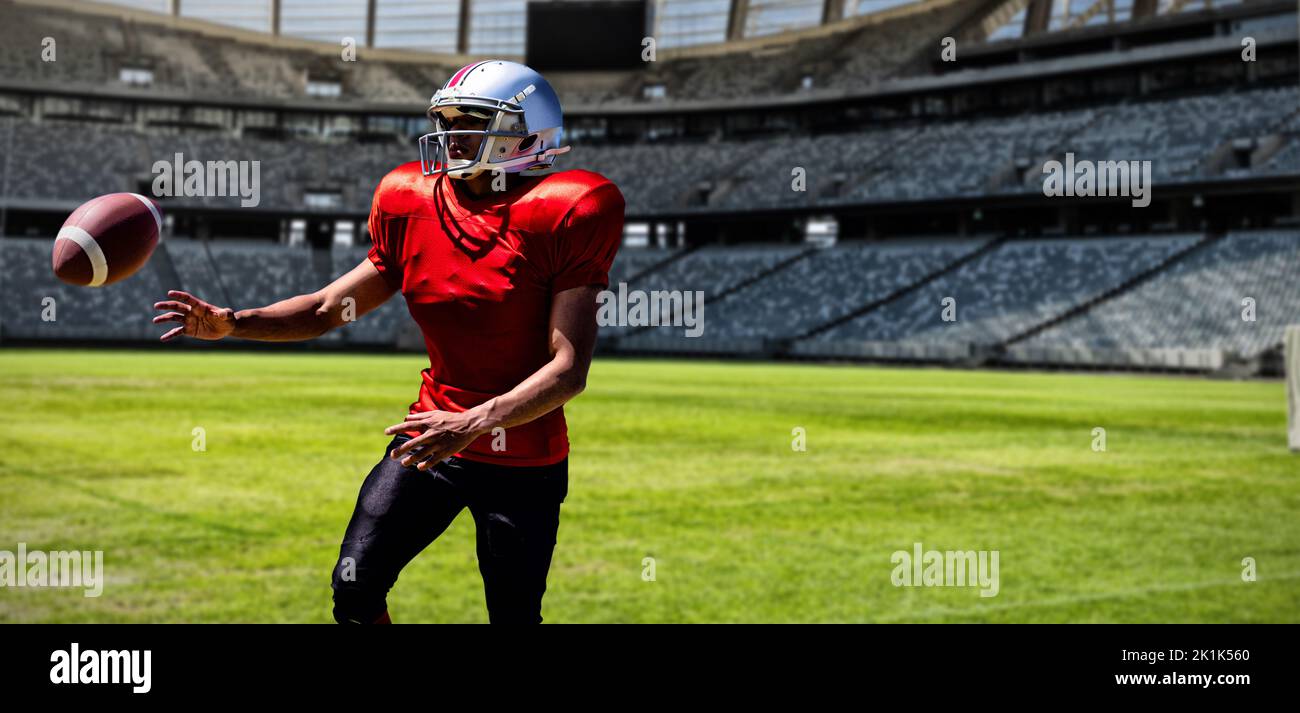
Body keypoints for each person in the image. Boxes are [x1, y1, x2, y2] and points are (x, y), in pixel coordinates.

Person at [151, 60, 626, 623]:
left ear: (528, 132)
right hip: (430, 438)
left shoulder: (569, 208)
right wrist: (234, 321)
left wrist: (471, 423)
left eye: (470, 123)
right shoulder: (411, 200)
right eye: (446, 122)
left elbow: (568, 369)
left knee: (514, 617)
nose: (451, 138)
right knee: (354, 590)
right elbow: (328, 308)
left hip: (521, 453)